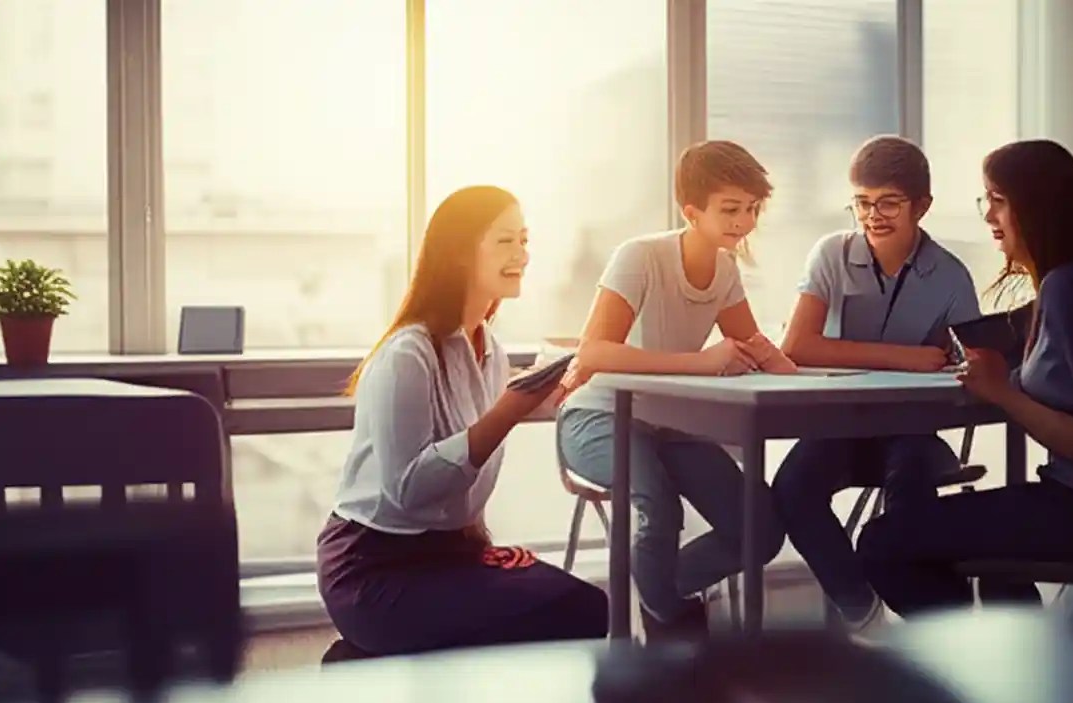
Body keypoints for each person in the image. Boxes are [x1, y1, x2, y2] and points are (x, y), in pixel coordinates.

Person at [857, 139, 1073, 615]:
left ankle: (975, 668)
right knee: (992, 561)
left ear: (1036, 206)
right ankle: (1010, 662)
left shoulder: (1067, 289)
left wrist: (1003, 392)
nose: (988, 218)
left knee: (884, 540)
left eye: (998, 202)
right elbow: (1012, 333)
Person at [317, 186, 608, 656]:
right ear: (457, 255)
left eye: (525, 240)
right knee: (575, 614)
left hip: (449, 555)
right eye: (505, 241)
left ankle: (372, 660)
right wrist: (507, 413)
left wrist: (476, 550)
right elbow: (407, 491)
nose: (523, 254)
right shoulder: (407, 355)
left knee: (588, 606)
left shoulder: (488, 350)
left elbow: (462, 489)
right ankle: (368, 657)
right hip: (373, 571)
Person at [557, 140, 794, 640]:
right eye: (730, 209)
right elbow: (594, 352)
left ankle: (666, 592)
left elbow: (748, 346)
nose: (743, 222)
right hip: (598, 416)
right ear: (692, 211)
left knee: (760, 528)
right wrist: (701, 364)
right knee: (658, 503)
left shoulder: (726, 269)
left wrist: (777, 361)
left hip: (668, 424)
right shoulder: (640, 256)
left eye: (752, 209)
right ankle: (670, 622)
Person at [772, 135, 982, 632]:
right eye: (862, 203)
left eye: (888, 202)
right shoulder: (830, 253)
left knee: (910, 494)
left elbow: (976, 362)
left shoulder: (950, 275)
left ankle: (938, 625)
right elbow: (797, 346)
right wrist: (908, 358)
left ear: (922, 206)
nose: (872, 215)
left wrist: (948, 362)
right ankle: (863, 613)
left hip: (912, 432)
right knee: (790, 489)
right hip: (839, 428)